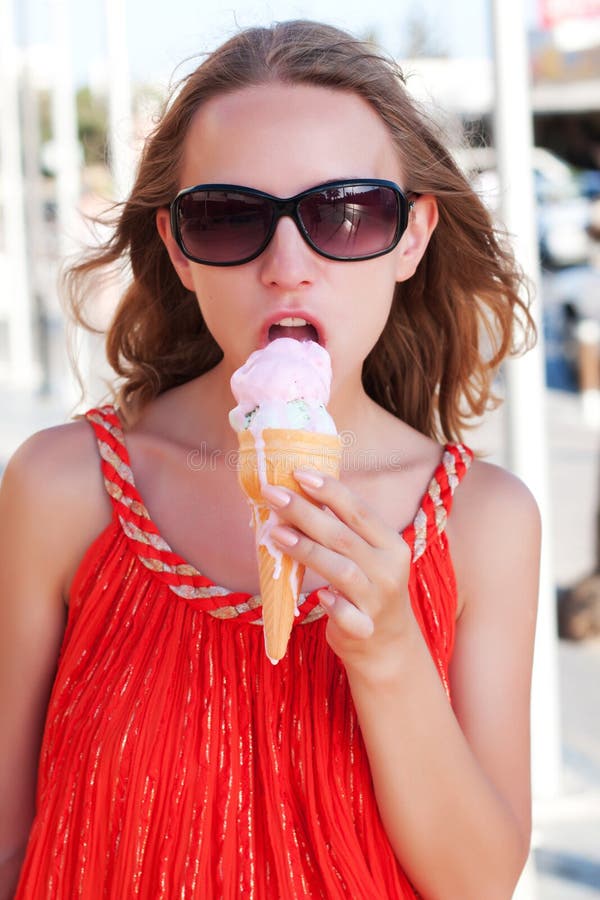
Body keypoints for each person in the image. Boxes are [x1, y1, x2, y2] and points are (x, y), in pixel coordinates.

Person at [0, 20, 541, 900]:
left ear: (410, 236)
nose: (288, 266)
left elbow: (479, 884)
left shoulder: (485, 521)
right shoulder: (65, 489)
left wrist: (391, 655)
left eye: (346, 212)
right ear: (177, 248)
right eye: (228, 219)